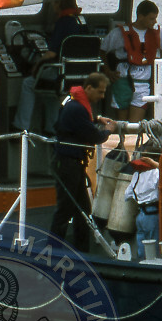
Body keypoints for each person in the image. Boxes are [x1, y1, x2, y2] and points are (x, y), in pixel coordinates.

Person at [51, 72, 116, 253]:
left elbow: (75, 123)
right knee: (65, 209)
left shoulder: (71, 101)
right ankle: (53, 250)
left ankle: (81, 250)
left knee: (83, 209)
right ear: (89, 88)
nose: (102, 96)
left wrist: (96, 119)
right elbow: (94, 136)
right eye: (100, 92)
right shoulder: (77, 109)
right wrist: (108, 130)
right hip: (67, 164)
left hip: (70, 163)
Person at [101, 0, 162, 119]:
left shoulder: (157, 33)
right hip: (122, 81)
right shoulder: (119, 33)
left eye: (155, 18)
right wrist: (108, 71)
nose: (155, 21)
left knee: (135, 124)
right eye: (151, 18)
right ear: (140, 16)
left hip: (142, 84)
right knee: (121, 123)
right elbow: (102, 50)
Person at [122, 153, 161, 255]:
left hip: (140, 215)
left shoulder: (136, 175)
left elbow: (127, 194)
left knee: (141, 246)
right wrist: (156, 164)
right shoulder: (156, 172)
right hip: (152, 214)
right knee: (153, 245)